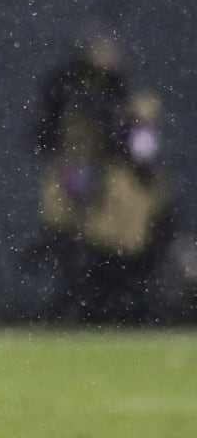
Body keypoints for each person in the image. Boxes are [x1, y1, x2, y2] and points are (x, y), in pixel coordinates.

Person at [27, 28, 169, 324]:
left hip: (120, 191)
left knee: (121, 261)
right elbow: (41, 138)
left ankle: (124, 314)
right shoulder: (67, 97)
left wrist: (116, 127)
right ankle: (81, 312)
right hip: (76, 183)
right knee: (77, 257)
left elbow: (143, 152)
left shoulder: (130, 104)